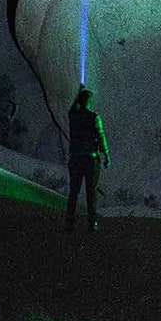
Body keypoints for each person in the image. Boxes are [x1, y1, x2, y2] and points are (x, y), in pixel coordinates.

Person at [65, 84, 110, 232]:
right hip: (91, 159)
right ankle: (92, 222)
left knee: (74, 191)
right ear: (90, 101)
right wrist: (107, 155)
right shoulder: (94, 117)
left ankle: (70, 221)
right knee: (91, 191)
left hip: (76, 158)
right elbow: (101, 137)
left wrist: (78, 93)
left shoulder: (74, 116)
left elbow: (72, 109)